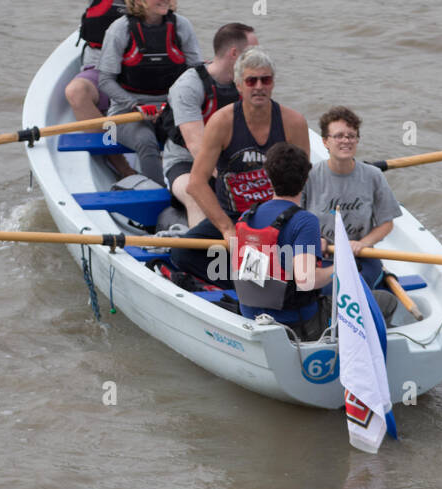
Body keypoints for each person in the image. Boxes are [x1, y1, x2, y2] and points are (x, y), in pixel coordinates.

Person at [170, 48, 310, 286]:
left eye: (265, 80)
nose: (258, 86)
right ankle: (248, 282)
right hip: (235, 216)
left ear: (272, 84)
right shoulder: (222, 122)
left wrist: (297, 224)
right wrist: (227, 230)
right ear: (238, 86)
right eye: (251, 80)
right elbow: (196, 183)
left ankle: (263, 279)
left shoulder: (293, 122)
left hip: (277, 215)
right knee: (181, 253)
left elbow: (305, 179)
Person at [22, 0, 158, 122]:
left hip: (141, 71)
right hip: (100, 69)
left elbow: (161, 18)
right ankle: (111, 153)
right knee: (76, 91)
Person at [96, 0, 202, 184]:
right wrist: (135, 105)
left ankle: (199, 186)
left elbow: (195, 71)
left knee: (198, 139)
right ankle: (157, 195)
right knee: (146, 141)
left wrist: (177, 103)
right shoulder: (119, 30)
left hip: (171, 107)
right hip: (127, 112)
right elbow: (105, 80)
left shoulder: (182, 26)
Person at [233, 143, 334, 340]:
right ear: (305, 180)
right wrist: (343, 267)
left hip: (250, 314)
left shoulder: (246, 216)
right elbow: (306, 280)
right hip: (296, 324)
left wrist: (311, 245)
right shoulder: (305, 221)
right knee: (384, 301)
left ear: (269, 178)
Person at [161, 23, 258, 226]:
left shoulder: (250, 84)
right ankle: (201, 255)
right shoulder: (188, 86)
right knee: (197, 196)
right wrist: (232, 183)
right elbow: (197, 147)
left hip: (235, 158)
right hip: (186, 162)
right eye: (253, 52)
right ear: (234, 53)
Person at [303, 105, 401, 287]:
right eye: (339, 136)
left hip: (362, 257)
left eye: (351, 136)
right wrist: (315, 239)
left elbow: (387, 223)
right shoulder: (309, 176)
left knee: (356, 286)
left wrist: (363, 243)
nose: (346, 141)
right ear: (325, 142)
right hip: (322, 256)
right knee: (324, 289)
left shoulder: (373, 176)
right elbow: (296, 220)